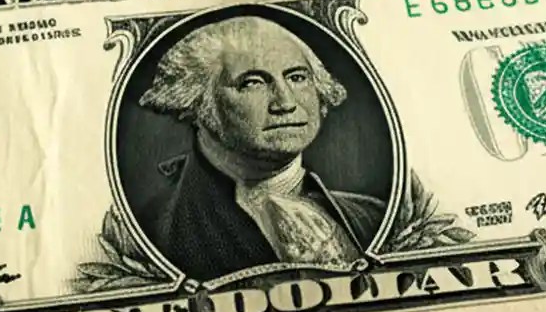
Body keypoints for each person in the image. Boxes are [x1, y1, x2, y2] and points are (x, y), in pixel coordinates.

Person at [135, 15, 385, 281]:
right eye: (252, 83)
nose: (286, 102)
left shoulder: (371, 216)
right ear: (195, 101)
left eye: (297, 77)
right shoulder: (153, 233)